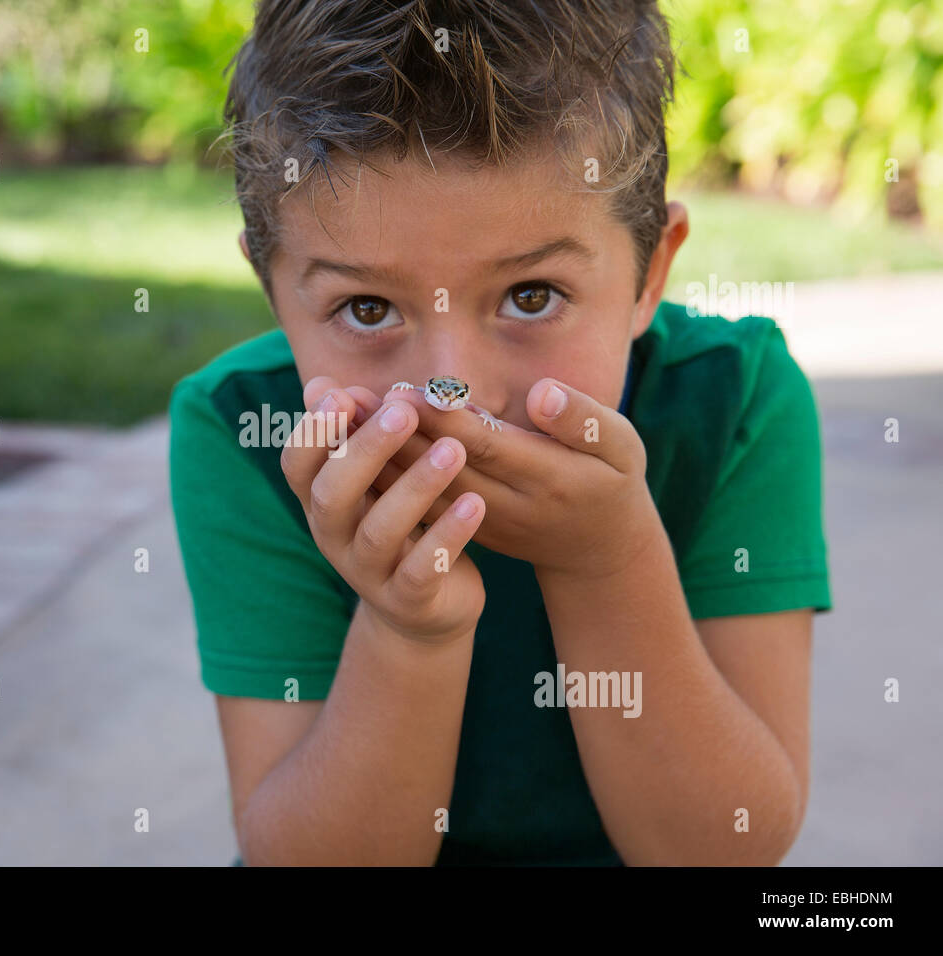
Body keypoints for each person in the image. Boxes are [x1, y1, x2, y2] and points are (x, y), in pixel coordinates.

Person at [169, 0, 832, 865]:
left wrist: (607, 558)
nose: (457, 388)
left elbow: (724, 848)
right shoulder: (244, 432)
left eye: (531, 296)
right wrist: (409, 631)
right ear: (274, 294)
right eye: (367, 308)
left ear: (649, 274)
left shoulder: (735, 401)